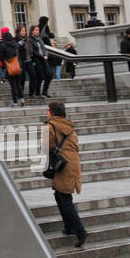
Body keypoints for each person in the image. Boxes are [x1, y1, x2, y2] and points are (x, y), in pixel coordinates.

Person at [45, 101, 86, 248]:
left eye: (48, 110)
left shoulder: (50, 126)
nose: (47, 113)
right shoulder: (69, 127)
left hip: (61, 165)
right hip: (72, 163)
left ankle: (80, 231)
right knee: (59, 194)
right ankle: (68, 226)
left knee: (65, 198)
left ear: (53, 113)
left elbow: (46, 147)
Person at [0, 29, 24, 106]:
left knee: (13, 85)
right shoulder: (15, 44)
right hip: (17, 65)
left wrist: (3, 66)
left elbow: (0, 57)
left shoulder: (2, 45)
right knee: (18, 83)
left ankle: (15, 102)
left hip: (9, 66)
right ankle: (22, 98)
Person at [29, 23, 52, 98]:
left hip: (44, 59)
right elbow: (33, 51)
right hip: (37, 60)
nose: (37, 31)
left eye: (38, 30)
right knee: (40, 76)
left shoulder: (40, 39)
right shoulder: (30, 40)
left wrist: (46, 55)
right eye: (36, 30)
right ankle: (38, 93)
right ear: (32, 31)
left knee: (49, 74)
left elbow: (44, 48)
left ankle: (45, 91)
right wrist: (42, 56)